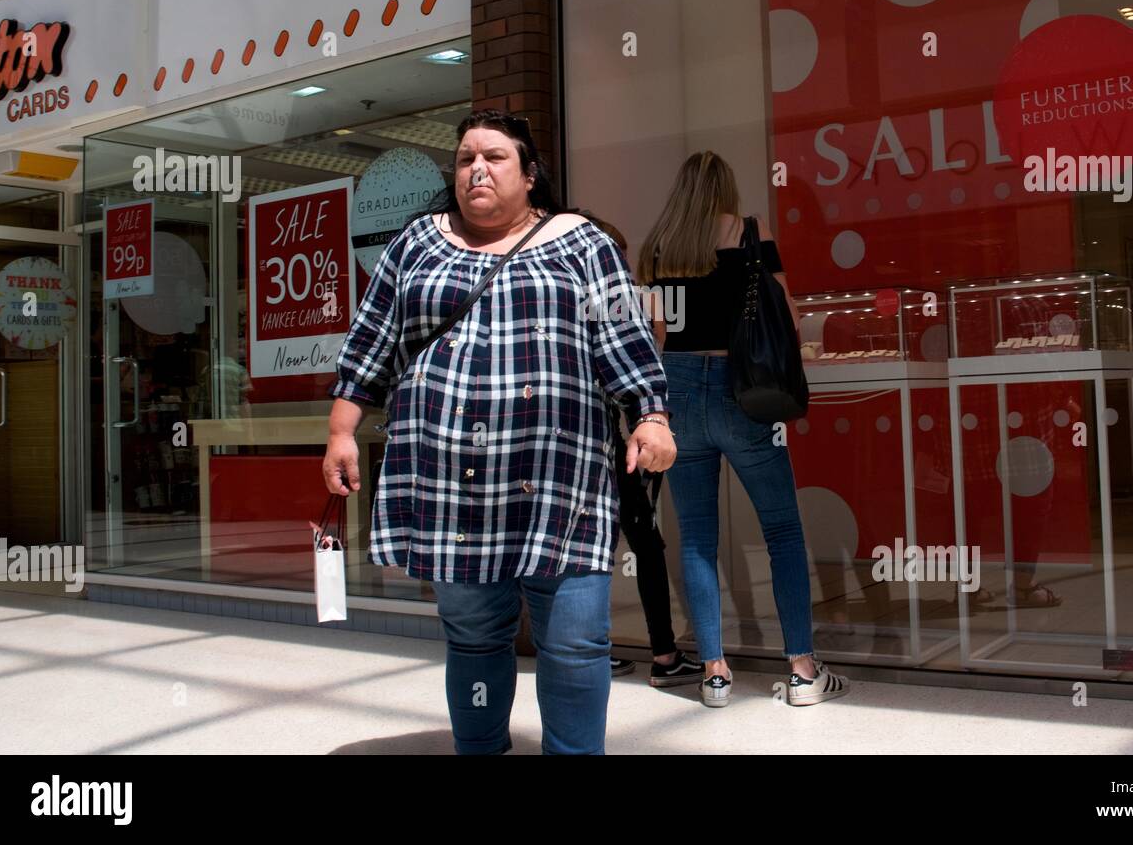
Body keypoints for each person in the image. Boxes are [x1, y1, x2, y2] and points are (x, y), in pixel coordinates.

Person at [322, 109, 676, 754]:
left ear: (531, 174)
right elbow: (370, 341)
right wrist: (342, 431)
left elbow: (624, 337)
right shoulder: (417, 244)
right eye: (464, 159)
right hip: (449, 479)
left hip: (560, 478)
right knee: (475, 637)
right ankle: (480, 748)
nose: (476, 169)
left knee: (574, 642)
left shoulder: (583, 243)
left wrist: (650, 414)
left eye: (494, 157)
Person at [640, 150, 849, 708]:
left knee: (698, 540)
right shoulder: (751, 231)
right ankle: (802, 671)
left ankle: (713, 673)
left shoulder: (661, 243)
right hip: (743, 389)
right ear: (726, 188)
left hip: (679, 388)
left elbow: (657, 330)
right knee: (782, 531)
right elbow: (788, 311)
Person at [577, 209, 704, 687]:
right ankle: (663, 655)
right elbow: (647, 363)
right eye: (619, 253)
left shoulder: (577, 301)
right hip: (624, 439)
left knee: (601, 545)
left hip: (603, 438)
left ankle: (599, 649)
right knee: (642, 544)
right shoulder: (629, 301)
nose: (623, 262)